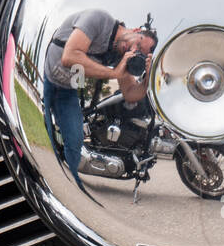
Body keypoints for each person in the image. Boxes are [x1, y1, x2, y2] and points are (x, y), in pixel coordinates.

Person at [42, 10, 158, 183]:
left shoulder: (122, 56)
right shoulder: (99, 19)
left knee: (74, 139)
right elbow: (69, 56)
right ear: (135, 31)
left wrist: (148, 78)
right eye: (138, 45)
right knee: (57, 133)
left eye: (140, 53)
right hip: (51, 77)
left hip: (69, 87)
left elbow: (130, 94)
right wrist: (113, 74)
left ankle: (63, 176)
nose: (134, 50)